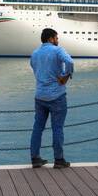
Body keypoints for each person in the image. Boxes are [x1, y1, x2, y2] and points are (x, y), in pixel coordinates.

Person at [29, 28, 73, 169]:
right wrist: (65, 76)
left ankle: (35, 158)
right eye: (56, 38)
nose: (58, 40)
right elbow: (70, 62)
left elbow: (34, 68)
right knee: (57, 128)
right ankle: (59, 160)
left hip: (40, 96)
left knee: (37, 128)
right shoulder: (57, 50)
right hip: (56, 95)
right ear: (51, 39)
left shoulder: (35, 53)